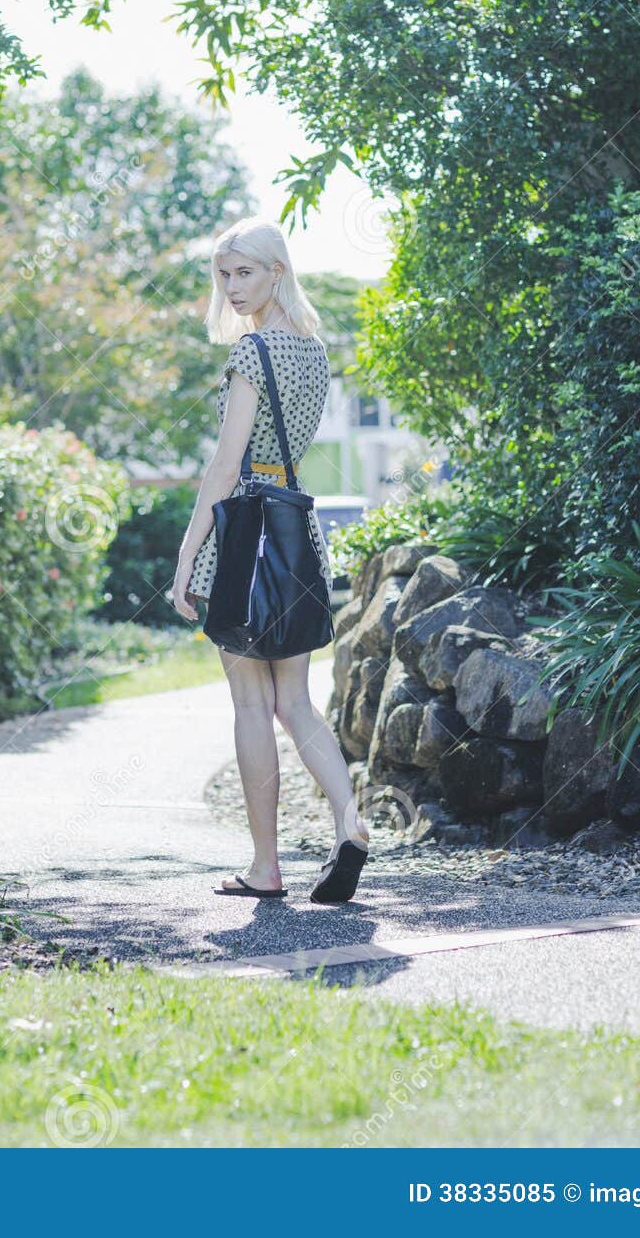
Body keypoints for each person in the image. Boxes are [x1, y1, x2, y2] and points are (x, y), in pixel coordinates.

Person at [172, 217, 369, 903]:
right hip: (295, 532)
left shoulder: (251, 353)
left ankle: (265, 867)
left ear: (276, 271)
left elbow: (225, 466)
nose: (231, 287)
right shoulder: (313, 351)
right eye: (223, 274)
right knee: (297, 703)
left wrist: (187, 556)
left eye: (244, 272)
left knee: (252, 704)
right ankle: (349, 818)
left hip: (243, 541)